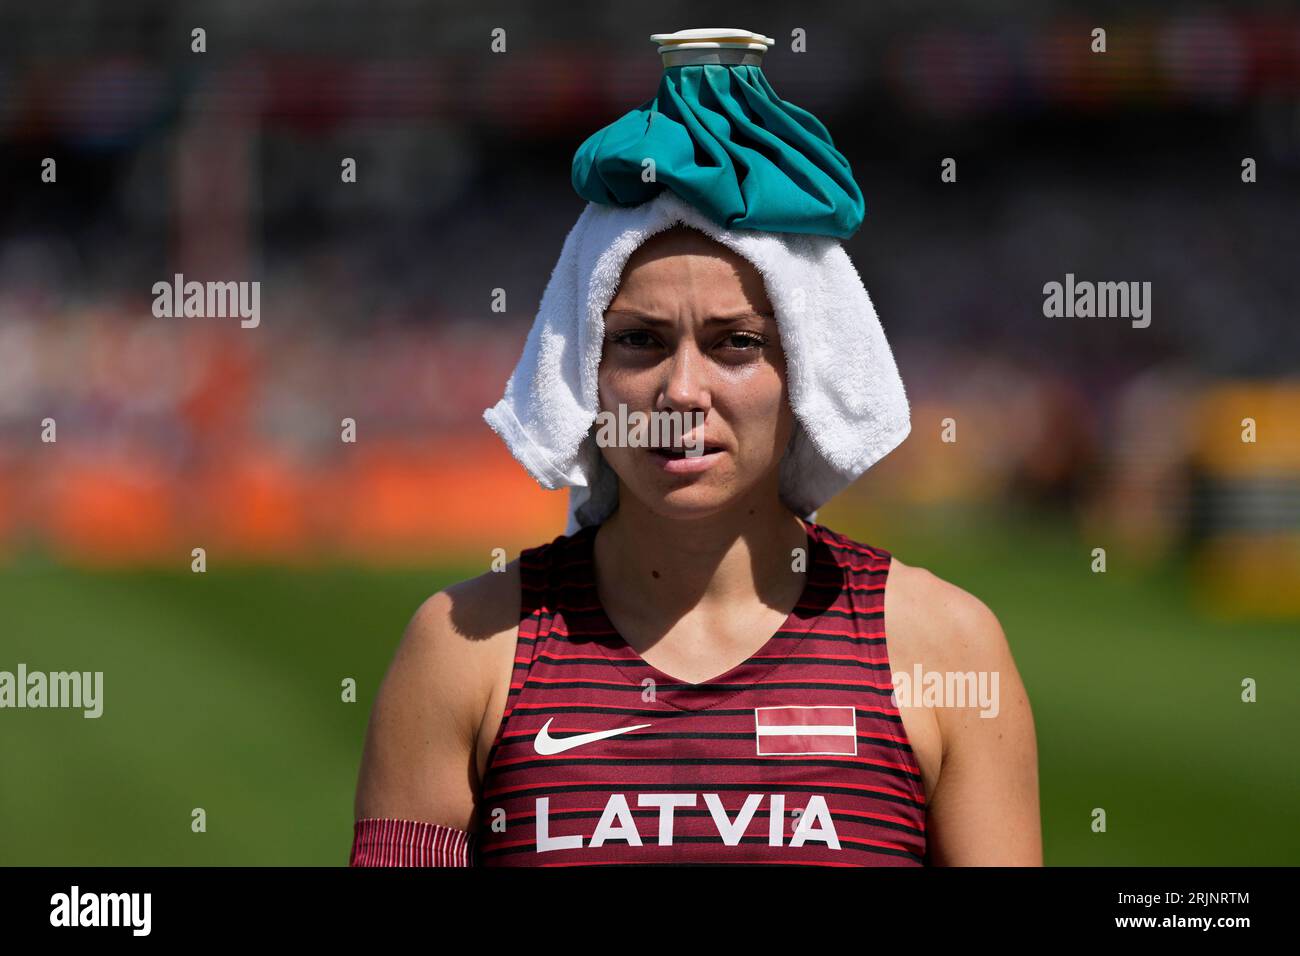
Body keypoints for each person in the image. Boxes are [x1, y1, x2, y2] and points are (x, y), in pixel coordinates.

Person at [351, 28, 1040, 866]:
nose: (682, 392)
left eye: (736, 343)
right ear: (582, 371)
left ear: (810, 373)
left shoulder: (943, 650)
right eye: (639, 341)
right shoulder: (464, 651)